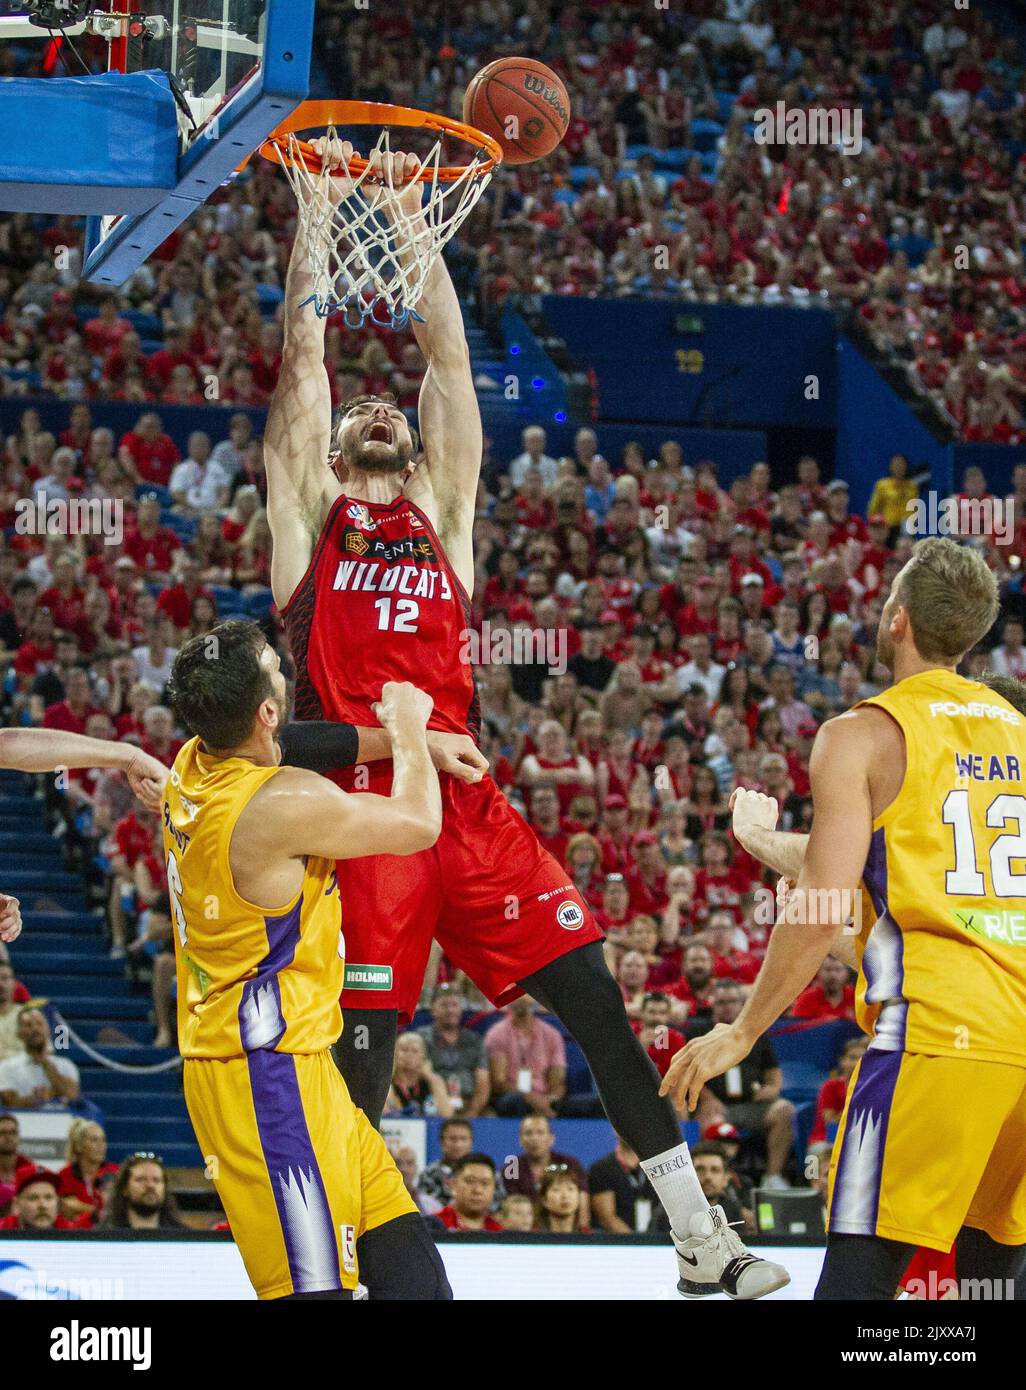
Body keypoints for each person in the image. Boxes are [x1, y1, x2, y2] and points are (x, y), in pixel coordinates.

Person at [265, 138, 787, 1300]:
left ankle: (700, 1238)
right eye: (362, 413)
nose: (380, 412)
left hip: (468, 804)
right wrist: (315, 215)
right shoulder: (309, 526)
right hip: (360, 815)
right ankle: (339, 1261)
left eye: (388, 410)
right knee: (363, 1062)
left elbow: (446, 363)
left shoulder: (446, 516)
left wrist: (405, 218)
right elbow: (301, 374)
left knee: (600, 1003)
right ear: (340, 451)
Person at [662, 538, 1026, 1300]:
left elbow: (827, 901)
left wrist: (744, 1029)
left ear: (896, 619)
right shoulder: (1016, 728)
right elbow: (896, 864)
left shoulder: (862, 733)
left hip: (935, 1038)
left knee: (857, 1288)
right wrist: (762, 841)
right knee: (992, 1281)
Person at [158, 619, 453, 1300]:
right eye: (277, 671)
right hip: (263, 1079)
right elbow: (417, 822)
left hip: (306, 1063)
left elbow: (289, 743)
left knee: (414, 1280)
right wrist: (410, 725)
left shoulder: (193, 761)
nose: (286, 678)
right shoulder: (279, 804)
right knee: (314, 1294)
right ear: (265, 711)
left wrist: (411, 742)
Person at [685, 980, 794, 1190]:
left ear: (742, 1004)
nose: (727, 1006)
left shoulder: (756, 1032)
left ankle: (773, 1177)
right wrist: (708, 1098)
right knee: (712, 1122)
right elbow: (690, 1072)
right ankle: (718, 1181)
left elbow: (773, 1073)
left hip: (752, 1104)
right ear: (713, 1004)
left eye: (733, 1001)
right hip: (716, 1105)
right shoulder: (698, 1032)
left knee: (784, 1110)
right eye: (722, 1002)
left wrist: (771, 1089)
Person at [500, 1114, 589, 1226]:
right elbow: (508, 1207)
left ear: (551, 1138)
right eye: (528, 1133)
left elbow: (582, 1203)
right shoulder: (511, 1167)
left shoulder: (570, 1163)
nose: (534, 1138)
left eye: (540, 1132)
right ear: (520, 1140)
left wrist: (582, 1232)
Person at [416, 985, 490, 1116]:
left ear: (461, 1009)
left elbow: (483, 1082)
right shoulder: (421, 1038)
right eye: (444, 1005)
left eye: (454, 1005)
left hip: (470, 1104)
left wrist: (470, 1114)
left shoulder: (475, 1040)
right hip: (431, 1104)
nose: (450, 1010)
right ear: (433, 1009)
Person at [0, 1008, 81, 1109]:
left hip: (61, 1120)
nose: (35, 1029)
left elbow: (72, 1096)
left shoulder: (66, 1065)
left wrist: (47, 1065)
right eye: (28, 1025)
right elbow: (9, 1103)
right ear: (18, 1033)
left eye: (39, 1024)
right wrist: (42, 1098)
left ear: (48, 1030)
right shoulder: (6, 1067)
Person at [98, 1154, 187, 1231]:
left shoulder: (185, 1239)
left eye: (157, 1180)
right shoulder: (102, 1237)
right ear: (125, 1189)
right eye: (141, 1179)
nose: (150, 1185)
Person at [589, 1137, 659, 1233]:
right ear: (615, 1128)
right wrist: (637, 1244)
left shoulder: (657, 1165)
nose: (629, 1129)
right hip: (619, 1243)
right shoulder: (601, 1169)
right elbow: (607, 1218)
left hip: (659, 1241)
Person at [56, 1118, 118, 1225]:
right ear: (78, 1146)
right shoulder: (64, 1175)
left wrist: (81, 1208)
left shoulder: (115, 1172)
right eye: (94, 1140)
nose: (101, 1145)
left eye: (103, 1140)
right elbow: (67, 1208)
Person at [384, 1032, 453, 1118]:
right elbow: (385, 1115)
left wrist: (431, 1078)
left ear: (423, 1056)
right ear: (395, 1054)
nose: (409, 1055)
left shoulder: (434, 1081)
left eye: (415, 1051)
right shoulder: (387, 1081)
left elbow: (447, 1115)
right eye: (404, 1050)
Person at [0, 1167, 88, 1231]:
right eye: (33, 1198)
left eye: (48, 1197)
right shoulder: (3, 1229)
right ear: (17, 1204)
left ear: (57, 1202)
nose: (42, 1205)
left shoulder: (72, 1234)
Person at [415, 1117, 475, 1209]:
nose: (458, 1144)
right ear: (441, 1141)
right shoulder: (429, 1175)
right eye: (452, 1139)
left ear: (471, 1142)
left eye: (463, 1139)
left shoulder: (484, 1174)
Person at [435, 1153, 503, 1232]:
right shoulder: (432, 1227)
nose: (478, 1190)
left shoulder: (500, 1234)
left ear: (494, 1188)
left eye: (485, 1183)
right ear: (452, 1185)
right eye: (470, 1181)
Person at [535, 1165, 589, 1233]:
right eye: (556, 1190)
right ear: (544, 1200)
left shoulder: (593, 1239)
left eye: (570, 1189)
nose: (565, 1196)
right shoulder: (530, 1239)